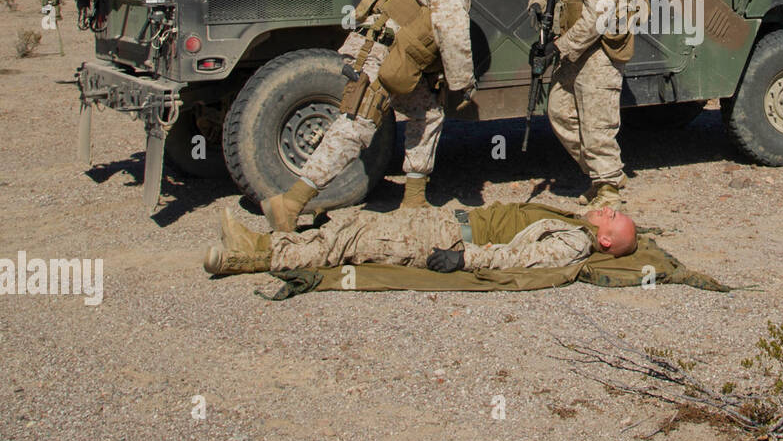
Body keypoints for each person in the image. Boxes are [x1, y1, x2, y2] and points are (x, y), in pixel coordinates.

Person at [260, 0, 482, 231]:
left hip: (378, 51)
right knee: (356, 128)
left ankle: (414, 199)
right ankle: (290, 203)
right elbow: (452, 31)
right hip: (381, 59)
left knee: (427, 114)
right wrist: (462, 83)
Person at [527, 0, 633, 209]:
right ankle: (601, 177)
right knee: (559, 111)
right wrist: (535, 5)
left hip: (599, 54)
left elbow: (595, 20)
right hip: (573, 51)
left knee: (597, 123)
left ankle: (609, 193)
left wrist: (557, 49)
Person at [203, 203, 637, 275]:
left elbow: (520, 260)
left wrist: (464, 260)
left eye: (612, 217)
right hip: (452, 220)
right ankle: (259, 243)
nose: (606, 209)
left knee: (355, 241)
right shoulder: (576, 222)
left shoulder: (573, 242)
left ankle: (250, 258)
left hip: (452, 236)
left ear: (604, 241)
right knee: (354, 226)